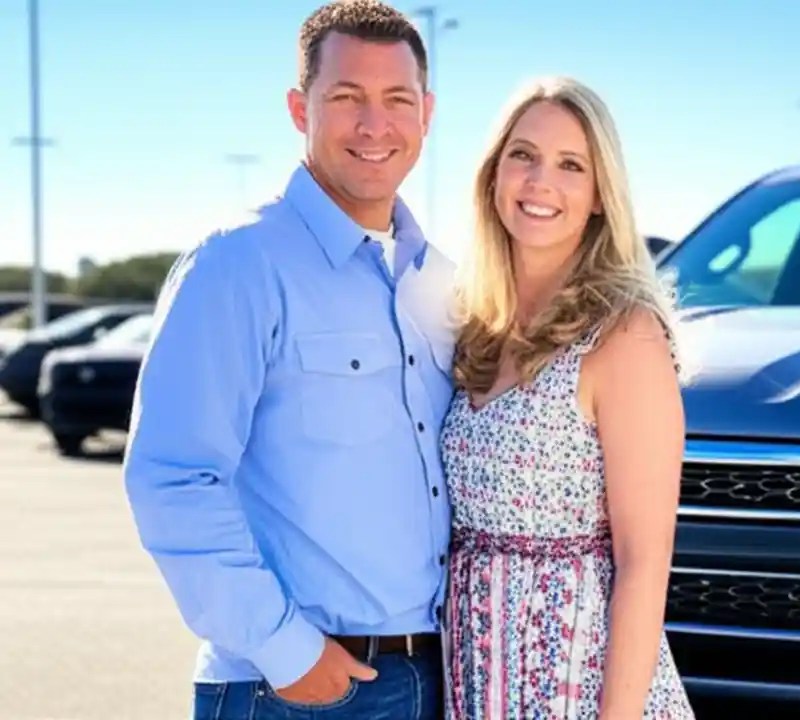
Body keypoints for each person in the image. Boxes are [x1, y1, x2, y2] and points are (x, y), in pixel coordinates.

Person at [122, 2, 455, 718]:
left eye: (397, 100)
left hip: (434, 677)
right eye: (346, 98)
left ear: (426, 113)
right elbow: (173, 476)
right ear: (299, 107)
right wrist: (289, 653)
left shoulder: (443, 281)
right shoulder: (237, 265)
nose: (375, 125)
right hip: (296, 691)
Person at [441, 76, 696, 719]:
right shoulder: (476, 329)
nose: (539, 182)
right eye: (522, 155)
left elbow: (645, 564)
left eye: (570, 165)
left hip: (581, 695)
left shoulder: (625, 334)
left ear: (600, 197)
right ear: (493, 174)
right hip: (478, 684)